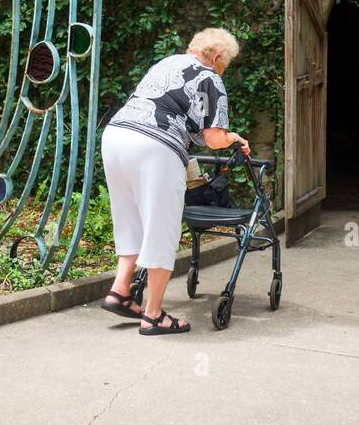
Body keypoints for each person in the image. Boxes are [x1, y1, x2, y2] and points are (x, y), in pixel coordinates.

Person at [99, 27, 249, 334]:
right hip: (155, 147)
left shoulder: (166, 63)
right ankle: (153, 315)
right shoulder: (210, 78)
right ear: (217, 57)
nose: (223, 71)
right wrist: (235, 137)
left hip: (116, 137)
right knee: (162, 228)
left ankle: (120, 290)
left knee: (129, 218)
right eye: (225, 64)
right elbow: (213, 138)